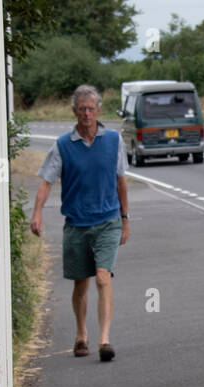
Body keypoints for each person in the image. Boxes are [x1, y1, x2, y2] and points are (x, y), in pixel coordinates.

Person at [30, 84, 129, 361]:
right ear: (74, 111)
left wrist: (125, 218)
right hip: (76, 223)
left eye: (91, 108)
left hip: (108, 220)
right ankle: (81, 333)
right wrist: (37, 213)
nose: (87, 113)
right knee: (80, 284)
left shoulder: (113, 141)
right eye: (82, 109)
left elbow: (121, 182)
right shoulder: (63, 145)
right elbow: (46, 182)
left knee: (102, 277)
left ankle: (104, 339)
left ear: (99, 110)